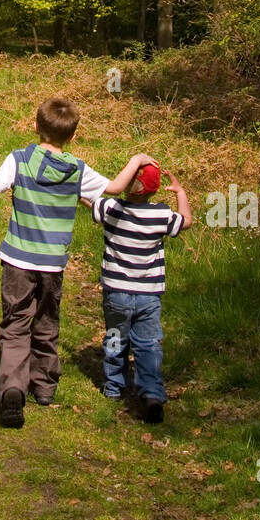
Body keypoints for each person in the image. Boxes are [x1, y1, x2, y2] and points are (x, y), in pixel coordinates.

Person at [0, 95, 156, 428]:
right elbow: (116, 187)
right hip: (53, 264)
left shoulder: (19, 159)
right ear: (73, 136)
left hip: (18, 261)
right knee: (47, 323)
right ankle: (45, 386)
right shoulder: (78, 170)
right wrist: (136, 158)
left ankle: (12, 389)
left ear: (35, 126)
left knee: (16, 322)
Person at [89, 162, 192, 423]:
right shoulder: (161, 216)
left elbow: (88, 200)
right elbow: (187, 221)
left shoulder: (111, 209)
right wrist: (180, 192)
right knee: (148, 344)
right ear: (155, 189)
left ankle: (113, 387)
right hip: (148, 295)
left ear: (125, 185)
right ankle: (152, 393)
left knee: (115, 338)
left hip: (116, 294)